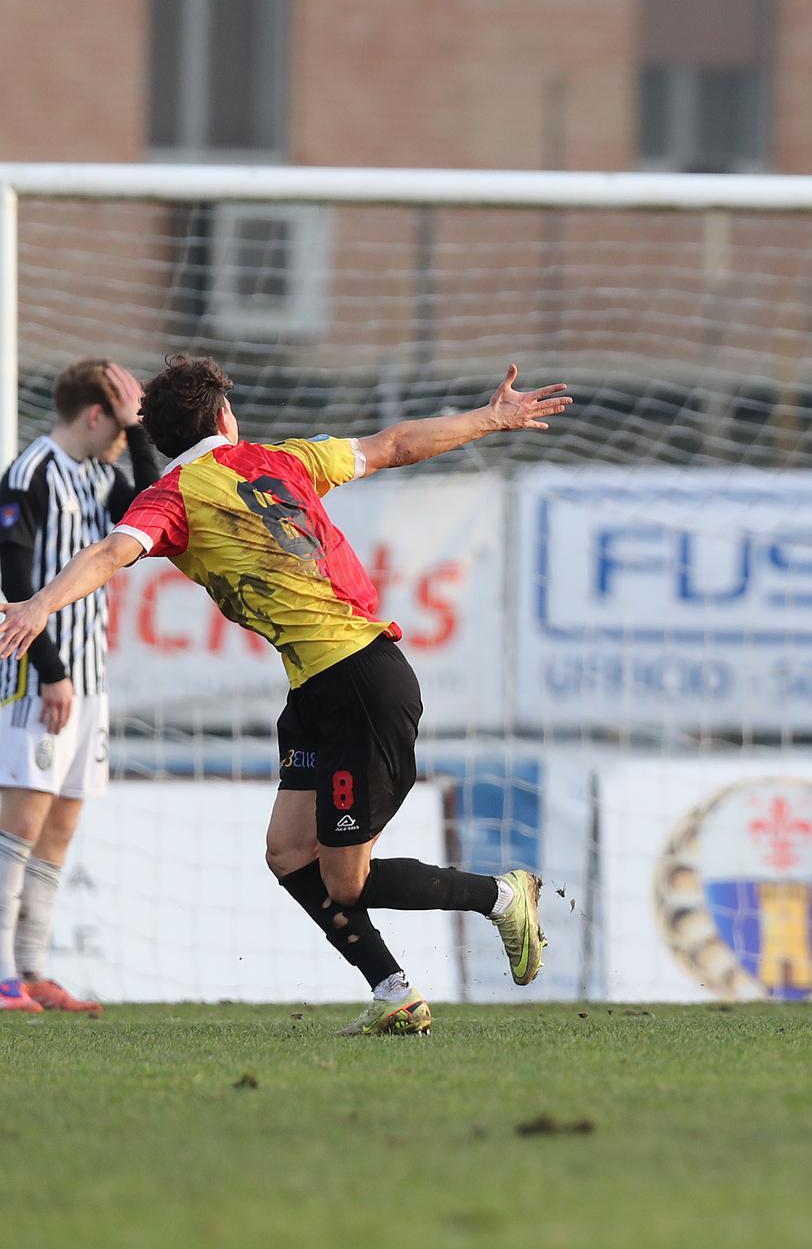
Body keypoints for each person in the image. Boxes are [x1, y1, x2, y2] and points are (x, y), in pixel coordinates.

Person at [0, 355, 568, 1034]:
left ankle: (504, 896)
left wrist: (39, 604)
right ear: (224, 417)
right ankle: (394, 989)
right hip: (318, 686)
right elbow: (394, 444)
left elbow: (108, 554)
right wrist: (491, 416)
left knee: (345, 882)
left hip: (358, 681)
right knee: (287, 851)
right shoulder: (284, 459)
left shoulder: (172, 495)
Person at [0, 361, 160, 1015]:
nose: (125, 438)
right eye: (120, 424)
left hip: (90, 680)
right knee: (20, 821)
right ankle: (1, 972)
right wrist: (52, 669)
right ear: (97, 415)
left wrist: (140, 431)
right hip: (37, 675)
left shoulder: (103, 474)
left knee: (60, 828)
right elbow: (14, 581)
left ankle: (32, 968)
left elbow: (156, 510)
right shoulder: (30, 472)